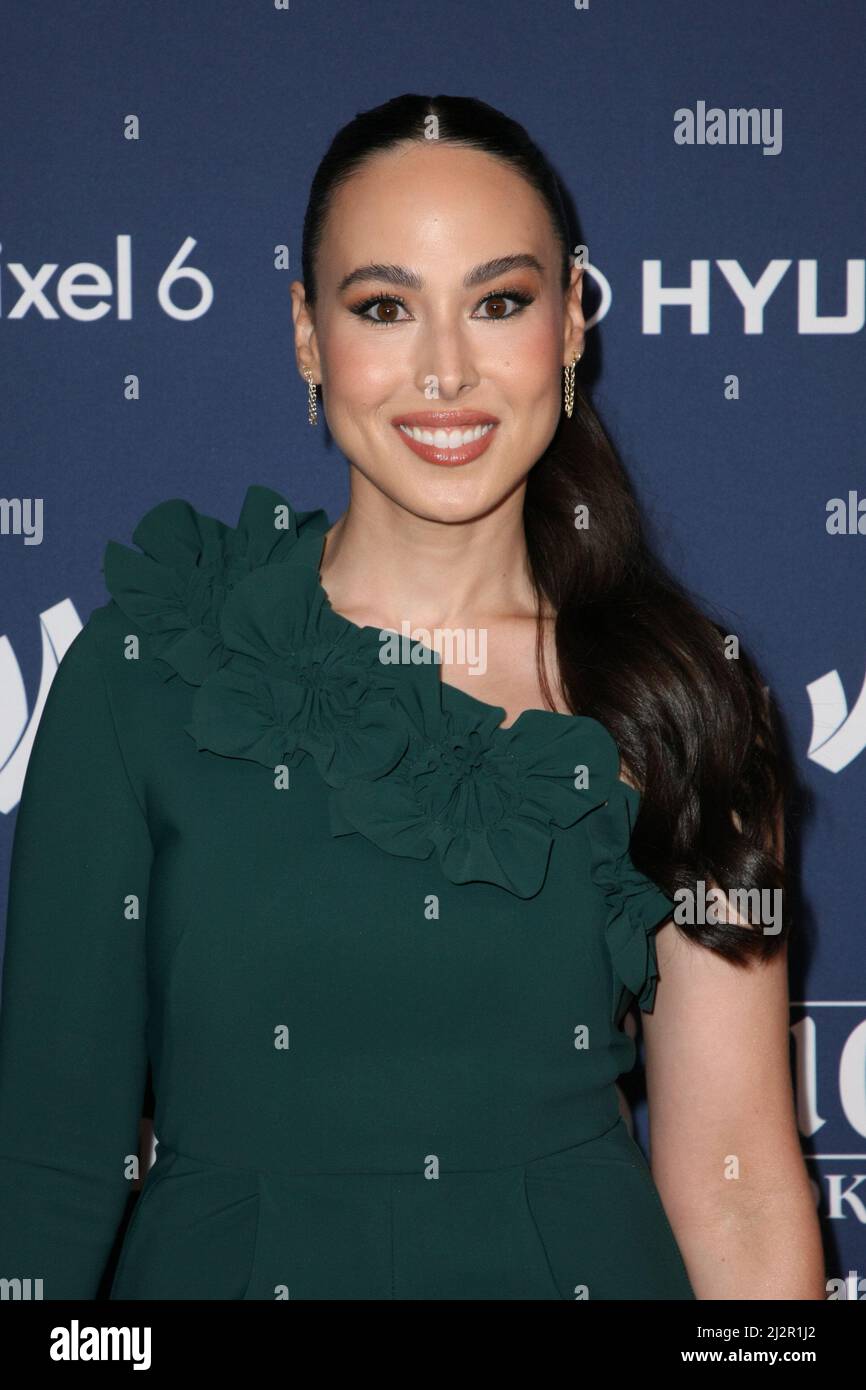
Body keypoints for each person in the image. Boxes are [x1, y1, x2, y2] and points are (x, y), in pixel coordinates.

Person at [0, 93, 825, 1300]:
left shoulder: (684, 695)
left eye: (499, 302)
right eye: (382, 307)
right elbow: (46, 1173)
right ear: (302, 334)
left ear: (571, 324)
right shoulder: (144, 676)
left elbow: (739, 1188)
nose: (445, 370)